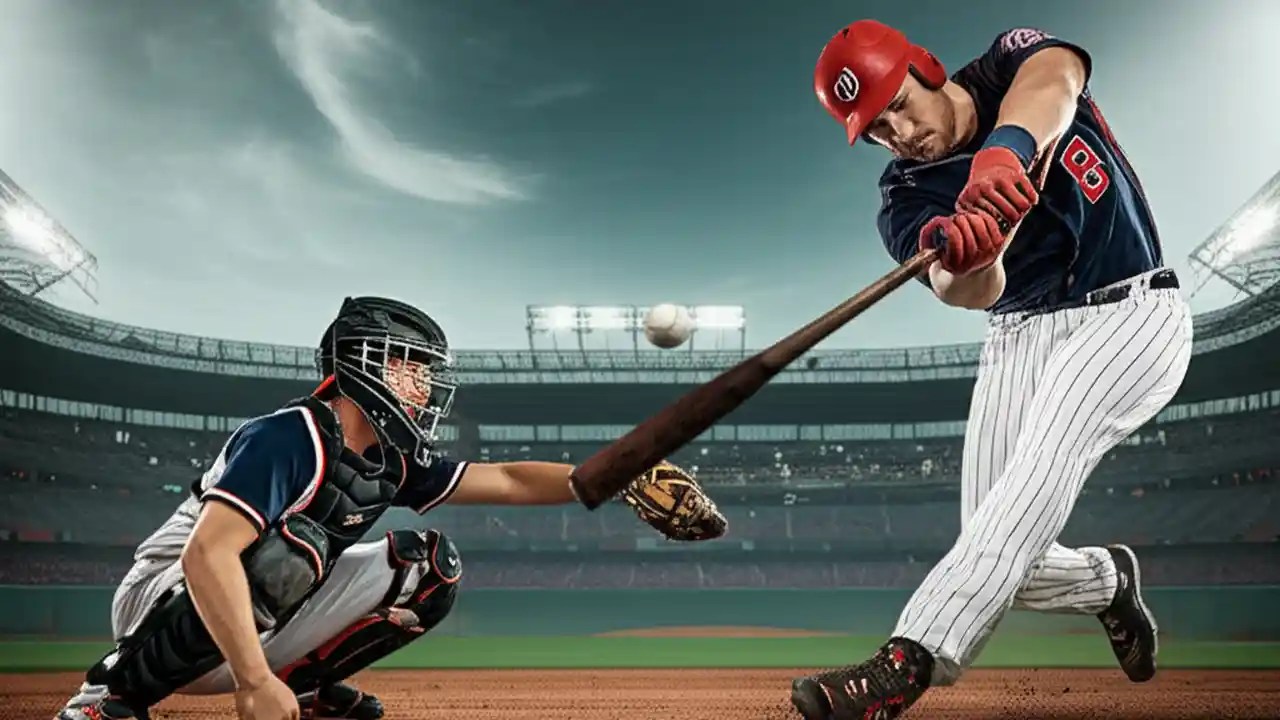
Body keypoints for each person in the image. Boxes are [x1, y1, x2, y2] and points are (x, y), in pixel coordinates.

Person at [55, 296, 723, 720]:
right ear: (363, 361)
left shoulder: (394, 460)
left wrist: (619, 475)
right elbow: (207, 554)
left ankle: (306, 691)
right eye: (411, 366)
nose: (425, 384)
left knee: (428, 566)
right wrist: (252, 683)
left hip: (263, 618)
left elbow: (513, 482)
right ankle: (106, 698)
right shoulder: (286, 435)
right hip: (162, 606)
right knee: (289, 554)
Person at [790, 20, 1193, 719]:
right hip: (1016, 336)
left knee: (1034, 478)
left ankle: (906, 661)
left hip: (1128, 312)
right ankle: (1105, 581)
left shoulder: (1006, 65)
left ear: (925, 67)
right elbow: (963, 294)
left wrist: (1003, 155)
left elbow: (1058, 78)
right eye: (876, 130)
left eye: (898, 105)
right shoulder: (903, 199)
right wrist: (976, 258)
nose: (898, 134)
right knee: (1004, 547)